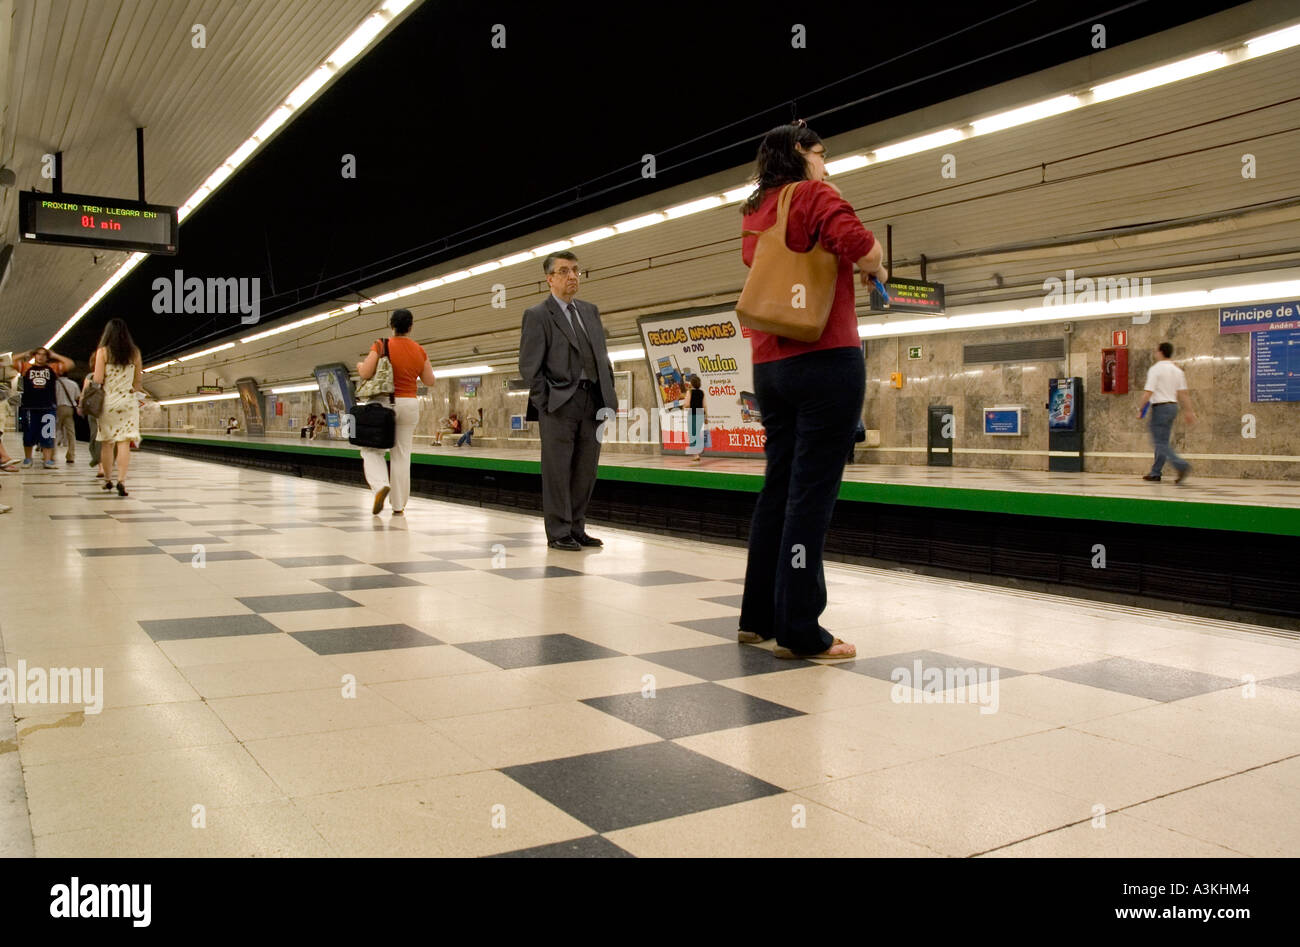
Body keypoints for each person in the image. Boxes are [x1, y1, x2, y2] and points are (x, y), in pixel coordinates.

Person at [736, 121, 887, 660]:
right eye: (821, 154)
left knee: (778, 488)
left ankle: (758, 618)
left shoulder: (758, 209)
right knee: (810, 498)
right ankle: (800, 628)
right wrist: (873, 262)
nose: (826, 164)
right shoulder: (816, 193)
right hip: (824, 358)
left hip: (770, 365)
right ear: (800, 153)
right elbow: (859, 245)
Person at [518, 250, 617, 550]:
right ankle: (558, 531)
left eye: (575, 270)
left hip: (593, 399)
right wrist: (545, 400)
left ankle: (577, 527)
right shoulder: (537, 315)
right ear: (549, 279)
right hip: (559, 403)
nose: (572, 276)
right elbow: (529, 366)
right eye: (564, 271)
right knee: (558, 469)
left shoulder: (590, 311)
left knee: (586, 468)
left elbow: (602, 357)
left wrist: (609, 395)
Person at [356, 308, 435, 516]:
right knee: (401, 455)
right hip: (409, 404)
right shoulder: (420, 350)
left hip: (385, 404)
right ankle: (398, 506)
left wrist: (359, 366)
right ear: (410, 327)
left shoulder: (381, 344)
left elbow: (365, 372)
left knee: (371, 450)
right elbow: (430, 380)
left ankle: (381, 485)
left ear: (391, 325)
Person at [92, 318, 144, 496]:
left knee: (107, 443)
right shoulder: (135, 352)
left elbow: (98, 379)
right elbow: (137, 382)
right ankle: (122, 481)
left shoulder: (103, 352)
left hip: (108, 400)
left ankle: (108, 480)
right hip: (128, 401)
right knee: (124, 443)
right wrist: (129, 389)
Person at [1138, 341, 1195, 484]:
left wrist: (1141, 408)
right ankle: (1155, 472)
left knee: (1159, 442)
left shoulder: (1156, 369)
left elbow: (1148, 392)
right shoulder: (1177, 370)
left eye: (1156, 351)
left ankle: (1181, 465)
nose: (1155, 353)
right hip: (1172, 407)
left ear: (1161, 352)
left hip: (1160, 408)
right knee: (1162, 441)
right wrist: (1189, 411)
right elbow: (1183, 393)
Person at [11, 347, 75, 468]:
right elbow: (8, 361)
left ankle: (47, 460)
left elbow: (70, 364)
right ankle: (28, 458)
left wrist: (55, 355)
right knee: (28, 434)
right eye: (38, 354)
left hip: (48, 406)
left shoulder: (53, 368)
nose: (41, 357)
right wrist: (25, 353)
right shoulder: (26, 367)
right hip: (29, 407)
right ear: (34, 356)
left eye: (44, 355)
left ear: (47, 357)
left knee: (48, 434)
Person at [78, 372, 105, 479]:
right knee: (107, 439)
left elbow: (84, 392)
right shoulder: (114, 372)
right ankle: (104, 465)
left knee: (96, 437)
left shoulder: (90, 376)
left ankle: (101, 466)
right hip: (111, 408)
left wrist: (80, 405)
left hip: (95, 408)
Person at [54, 368, 80, 464]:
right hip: (69, 409)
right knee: (71, 433)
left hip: (58, 408)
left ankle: (51, 454)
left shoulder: (55, 384)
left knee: (54, 431)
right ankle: (71, 455)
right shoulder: (73, 384)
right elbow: (78, 397)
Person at [685, 375, 706, 462]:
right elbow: (704, 405)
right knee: (697, 432)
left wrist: (684, 406)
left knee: (692, 434)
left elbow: (687, 404)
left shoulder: (689, 392)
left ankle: (696, 454)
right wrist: (706, 416)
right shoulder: (702, 392)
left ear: (692, 384)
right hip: (701, 414)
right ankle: (698, 450)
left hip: (692, 414)